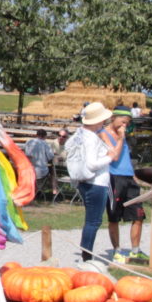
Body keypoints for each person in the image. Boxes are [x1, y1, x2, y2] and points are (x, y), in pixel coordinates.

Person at [64, 102, 116, 262]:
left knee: (91, 220)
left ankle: (86, 253)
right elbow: (92, 164)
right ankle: (86, 256)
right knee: (93, 221)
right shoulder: (91, 138)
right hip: (96, 183)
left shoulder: (79, 134)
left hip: (85, 181)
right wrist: (109, 158)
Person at [103, 109, 148, 265]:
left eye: (127, 123)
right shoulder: (103, 133)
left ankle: (136, 249)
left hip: (129, 178)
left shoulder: (123, 135)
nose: (125, 126)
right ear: (113, 118)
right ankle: (117, 250)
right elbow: (114, 157)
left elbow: (125, 158)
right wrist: (121, 137)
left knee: (138, 215)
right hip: (113, 178)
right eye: (123, 122)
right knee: (114, 216)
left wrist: (134, 176)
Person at [22, 130, 56, 201]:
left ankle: (34, 191)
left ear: (36, 135)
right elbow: (50, 156)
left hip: (28, 169)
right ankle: (53, 192)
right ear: (45, 136)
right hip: (40, 171)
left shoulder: (29, 142)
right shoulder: (45, 144)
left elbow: (25, 153)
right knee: (52, 173)